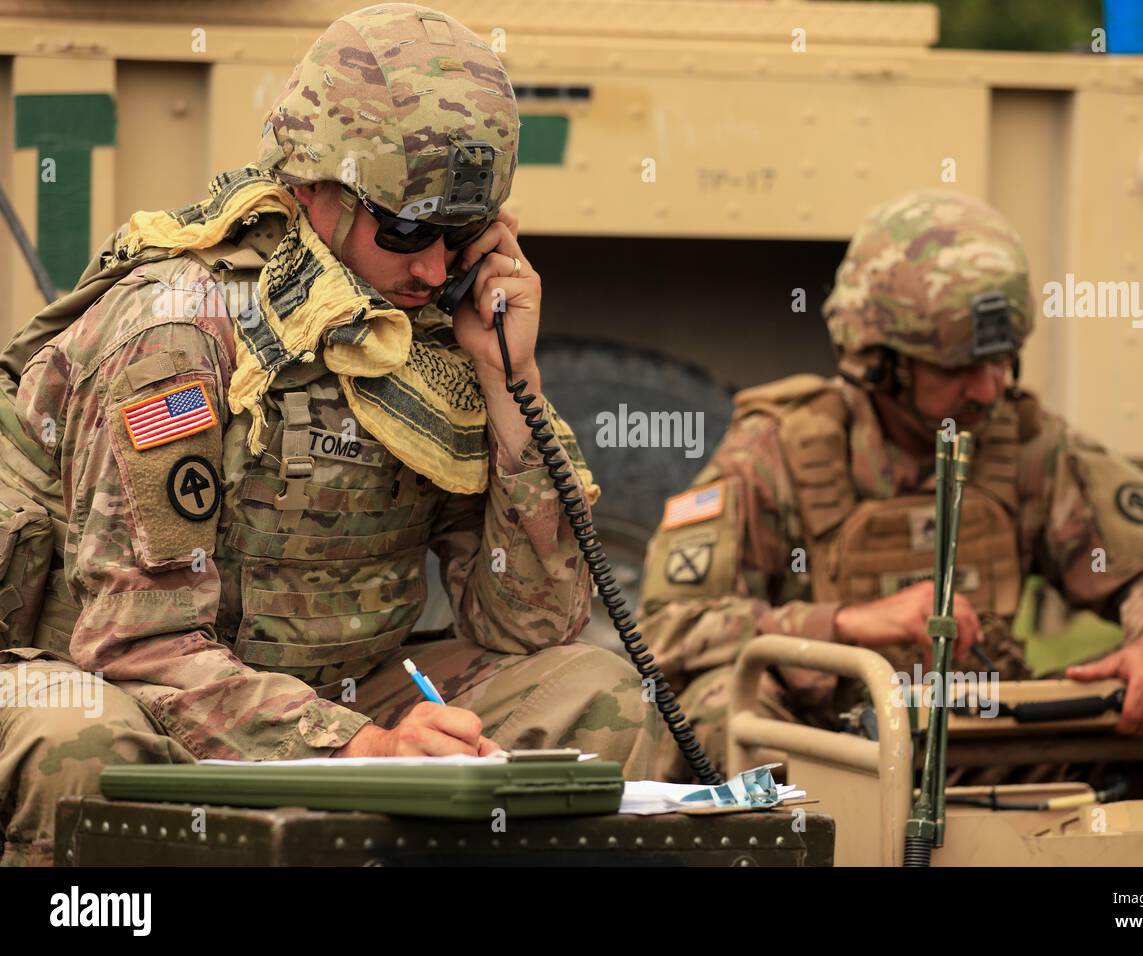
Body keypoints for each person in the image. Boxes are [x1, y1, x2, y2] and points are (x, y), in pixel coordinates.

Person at [0, 4, 659, 867]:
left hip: (333, 695)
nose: (432, 268)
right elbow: (138, 648)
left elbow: (532, 627)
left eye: (461, 236)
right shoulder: (183, 330)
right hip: (110, 682)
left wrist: (509, 384)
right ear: (312, 188)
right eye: (407, 229)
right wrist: (359, 748)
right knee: (82, 743)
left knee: (603, 694)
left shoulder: (432, 338)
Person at [639, 190, 1143, 782]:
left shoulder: (1027, 444)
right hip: (827, 762)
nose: (987, 389)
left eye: (1003, 359)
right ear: (880, 359)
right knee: (718, 710)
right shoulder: (775, 455)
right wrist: (846, 624)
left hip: (985, 741)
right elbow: (668, 628)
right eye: (958, 367)